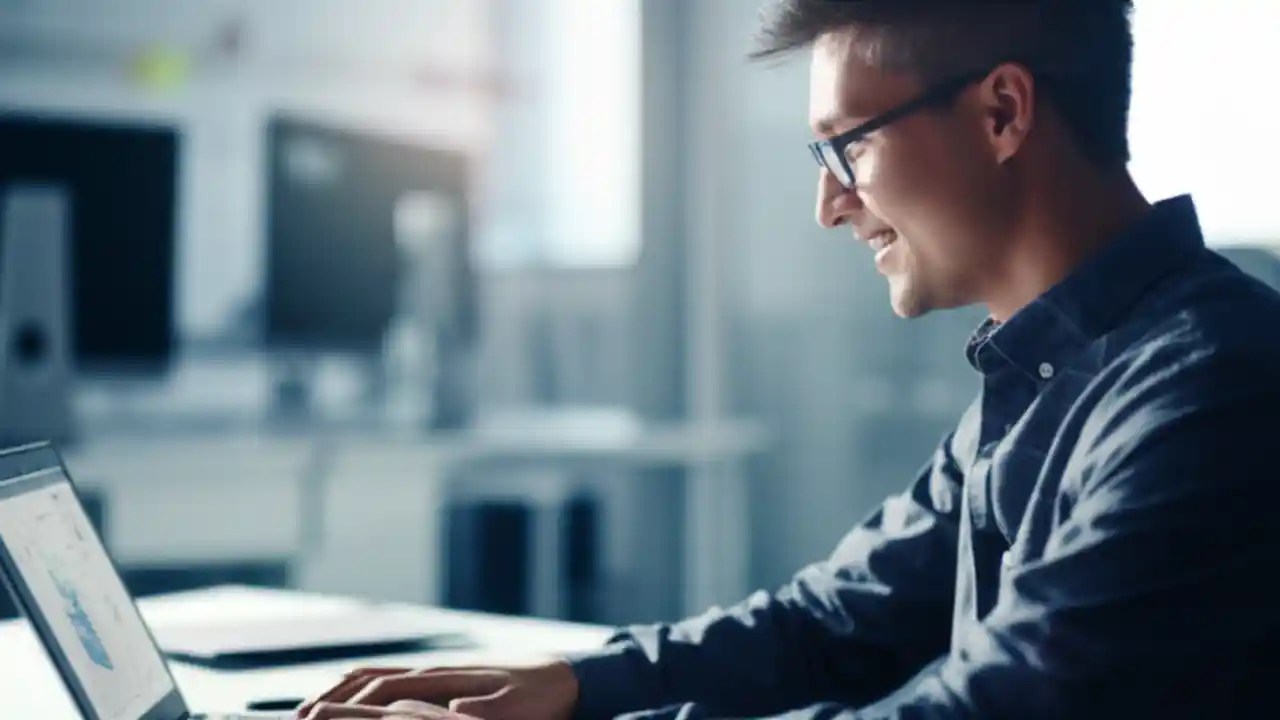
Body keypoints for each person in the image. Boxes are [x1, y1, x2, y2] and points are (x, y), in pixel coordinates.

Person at [297, 0, 1280, 718]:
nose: (829, 204)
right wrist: (572, 688)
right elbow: (834, 623)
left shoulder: (1208, 393)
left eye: (845, 147)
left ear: (1000, 113)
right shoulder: (1036, 382)